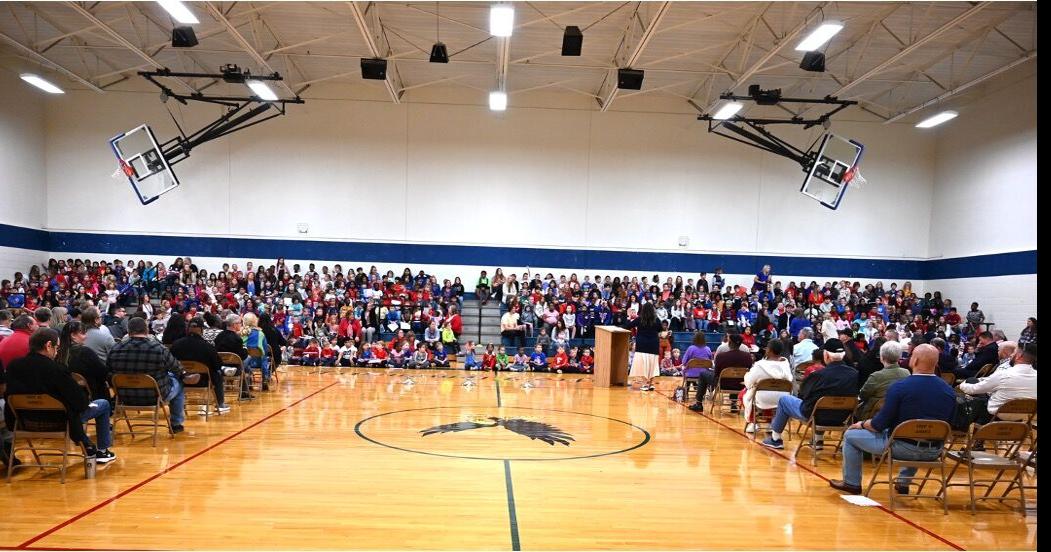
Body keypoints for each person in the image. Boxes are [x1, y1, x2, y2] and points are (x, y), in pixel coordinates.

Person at [829, 344, 955, 495]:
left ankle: (852, 483)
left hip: (902, 448)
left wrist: (861, 424)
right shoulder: (949, 391)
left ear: (914, 361)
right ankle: (903, 483)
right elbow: (950, 424)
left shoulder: (900, 387)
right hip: (935, 450)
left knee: (850, 436)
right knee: (917, 430)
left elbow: (878, 425)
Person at [3, 328, 117, 464]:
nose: (57, 352)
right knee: (103, 404)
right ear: (48, 345)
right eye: (56, 347)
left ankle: (90, 446)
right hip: (59, 420)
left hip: (24, 421)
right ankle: (103, 451)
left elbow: (8, 394)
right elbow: (80, 402)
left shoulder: (13, 366)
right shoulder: (56, 369)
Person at [761, 339, 859, 450]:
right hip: (842, 417)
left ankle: (775, 439)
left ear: (826, 355)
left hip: (815, 415)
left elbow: (803, 394)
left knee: (784, 400)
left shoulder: (818, 375)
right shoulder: (855, 374)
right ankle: (817, 440)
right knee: (821, 403)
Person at [107, 317, 188, 433]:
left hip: (124, 397)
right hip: (155, 396)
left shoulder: (115, 349)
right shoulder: (158, 349)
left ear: (128, 331)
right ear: (147, 331)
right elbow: (177, 368)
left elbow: (109, 373)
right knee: (179, 382)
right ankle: (176, 424)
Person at [958, 343, 1037, 424]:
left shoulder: (1004, 374)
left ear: (1018, 356)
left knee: (970, 390)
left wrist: (962, 385)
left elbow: (973, 389)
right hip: (1024, 417)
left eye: (1013, 353)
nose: (1011, 355)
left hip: (996, 417)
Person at [170, 317, 230, 414]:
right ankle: (220, 403)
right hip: (203, 381)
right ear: (202, 330)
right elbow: (217, 365)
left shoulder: (176, 344)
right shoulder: (207, 346)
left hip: (181, 380)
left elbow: (170, 362)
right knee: (217, 373)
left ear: (188, 329)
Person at [741, 338, 793, 433]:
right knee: (768, 393)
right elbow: (790, 380)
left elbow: (748, 383)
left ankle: (753, 423)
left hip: (762, 398)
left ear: (769, 350)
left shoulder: (759, 365)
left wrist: (747, 376)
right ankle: (770, 422)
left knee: (744, 394)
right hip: (782, 399)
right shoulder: (785, 364)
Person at [692, 333, 753, 412]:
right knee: (736, 378)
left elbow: (717, 373)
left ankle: (699, 403)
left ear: (729, 343)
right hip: (740, 385)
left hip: (722, 384)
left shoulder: (721, 356)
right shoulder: (748, 356)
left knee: (703, 374)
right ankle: (733, 404)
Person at [57, 321, 112, 403]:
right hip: (91, 396)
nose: (86, 336)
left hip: (66, 398)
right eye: (83, 333)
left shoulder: (58, 354)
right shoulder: (85, 352)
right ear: (73, 335)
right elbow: (103, 373)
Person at [855, 341, 909, 419]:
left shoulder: (876, 376)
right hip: (899, 414)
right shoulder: (906, 373)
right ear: (899, 357)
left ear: (882, 358)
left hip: (875, 415)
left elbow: (863, 395)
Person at [624, 302, 661, 391]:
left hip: (642, 345)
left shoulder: (639, 319)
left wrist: (629, 318)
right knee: (652, 365)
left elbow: (628, 326)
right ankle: (651, 384)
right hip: (653, 344)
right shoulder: (656, 319)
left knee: (643, 365)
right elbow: (660, 329)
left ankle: (645, 384)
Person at [242, 313, 271, 391]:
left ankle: (248, 381)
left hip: (243, 362)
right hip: (258, 362)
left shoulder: (241, 333)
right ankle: (265, 380)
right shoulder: (260, 333)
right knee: (264, 356)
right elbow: (265, 349)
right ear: (255, 321)